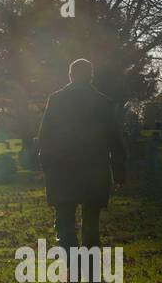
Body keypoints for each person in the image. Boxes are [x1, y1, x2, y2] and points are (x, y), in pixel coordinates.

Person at [36, 58, 126, 254]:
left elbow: (45, 135)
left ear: (70, 75)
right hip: (94, 171)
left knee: (64, 221)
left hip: (62, 170)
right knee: (91, 223)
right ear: (91, 76)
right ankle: (90, 268)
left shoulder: (57, 100)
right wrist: (119, 171)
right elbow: (114, 139)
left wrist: (45, 165)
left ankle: (72, 262)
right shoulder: (103, 102)